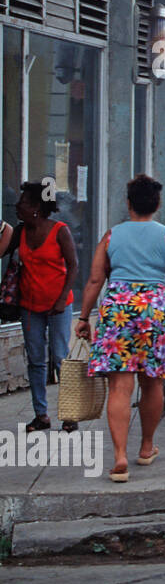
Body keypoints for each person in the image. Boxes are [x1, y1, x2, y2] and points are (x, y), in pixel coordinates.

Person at [77, 174, 165, 481]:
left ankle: (120, 457)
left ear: (128, 204)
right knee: (153, 382)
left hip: (118, 312)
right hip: (154, 312)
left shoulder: (111, 236)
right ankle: (147, 447)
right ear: (158, 204)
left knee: (120, 387)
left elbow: (96, 280)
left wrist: (84, 318)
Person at [0, 182, 79, 433]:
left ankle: (70, 415)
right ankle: (41, 415)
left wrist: (61, 298)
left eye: (22, 201)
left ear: (35, 207)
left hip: (58, 306)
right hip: (29, 307)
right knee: (35, 360)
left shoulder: (60, 231)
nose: (17, 205)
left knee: (59, 357)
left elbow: (73, 266)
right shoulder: (20, 233)